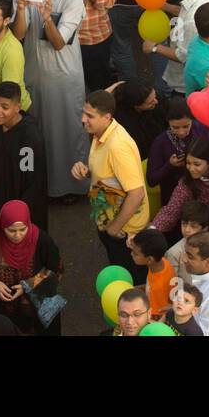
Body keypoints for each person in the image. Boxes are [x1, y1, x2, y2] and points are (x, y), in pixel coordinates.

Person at [12, 0, 88, 202]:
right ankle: (44, 188)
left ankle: (74, 187)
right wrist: (21, 10)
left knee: (70, 133)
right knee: (40, 135)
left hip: (65, 79)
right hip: (34, 76)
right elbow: (18, 35)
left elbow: (59, 43)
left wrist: (46, 18)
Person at [72, 89, 150, 280]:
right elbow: (109, 173)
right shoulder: (100, 133)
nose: (83, 119)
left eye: (90, 116)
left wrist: (114, 229)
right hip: (109, 221)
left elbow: (136, 193)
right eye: (84, 113)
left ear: (107, 117)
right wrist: (86, 170)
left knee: (129, 283)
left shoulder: (117, 146)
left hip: (125, 233)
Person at [0, 199, 63, 335]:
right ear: (2, 226)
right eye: (11, 230)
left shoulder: (41, 240)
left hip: (40, 305)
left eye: (23, 229)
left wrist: (28, 285)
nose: (18, 235)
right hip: (9, 307)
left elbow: (56, 270)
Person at [0, 81, 49, 230]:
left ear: (17, 107)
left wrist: (20, 212)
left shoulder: (30, 137)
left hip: (22, 204)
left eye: (4, 107)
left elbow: (33, 181)